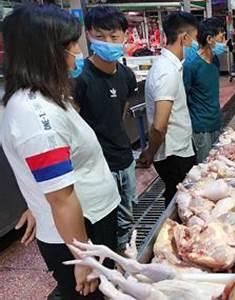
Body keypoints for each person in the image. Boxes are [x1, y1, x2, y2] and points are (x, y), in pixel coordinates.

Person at [0, 4, 120, 299]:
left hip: (86, 221)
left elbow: (49, 177)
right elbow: (61, 197)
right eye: (70, 46)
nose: (77, 53)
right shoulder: (36, 115)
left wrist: (34, 202)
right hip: (80, 233)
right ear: (46, 52)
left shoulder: (47, 96)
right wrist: (84, 258)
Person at [73, 6, 137, 253]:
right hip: (97, 168)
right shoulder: (80, 79)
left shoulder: (126, 75)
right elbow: (74, 129)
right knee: (103, 226)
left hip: (125, 160)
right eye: (100, 37)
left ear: (124, 37)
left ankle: (125, 260)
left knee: (127, 219)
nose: (108, 43)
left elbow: (120, 114)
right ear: (88, 35)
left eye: (114, 37)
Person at [138, 12, 198, 207]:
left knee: (179, 199)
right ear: (185, 38)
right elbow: (159, 126)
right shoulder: (166, 72)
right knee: (178, 203)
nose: (196, 45)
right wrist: (150, 152)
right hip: (174, 154)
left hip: (178, 149)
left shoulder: (170, 67)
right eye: (195, 39)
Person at [183, 18, 225, 163]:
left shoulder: (215, 60)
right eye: (221, 37)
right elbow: (183, 97)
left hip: (217, 122)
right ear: (209, 39)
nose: (224, 42)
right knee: (205, 169)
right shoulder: (191, 65)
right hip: (201, 128)